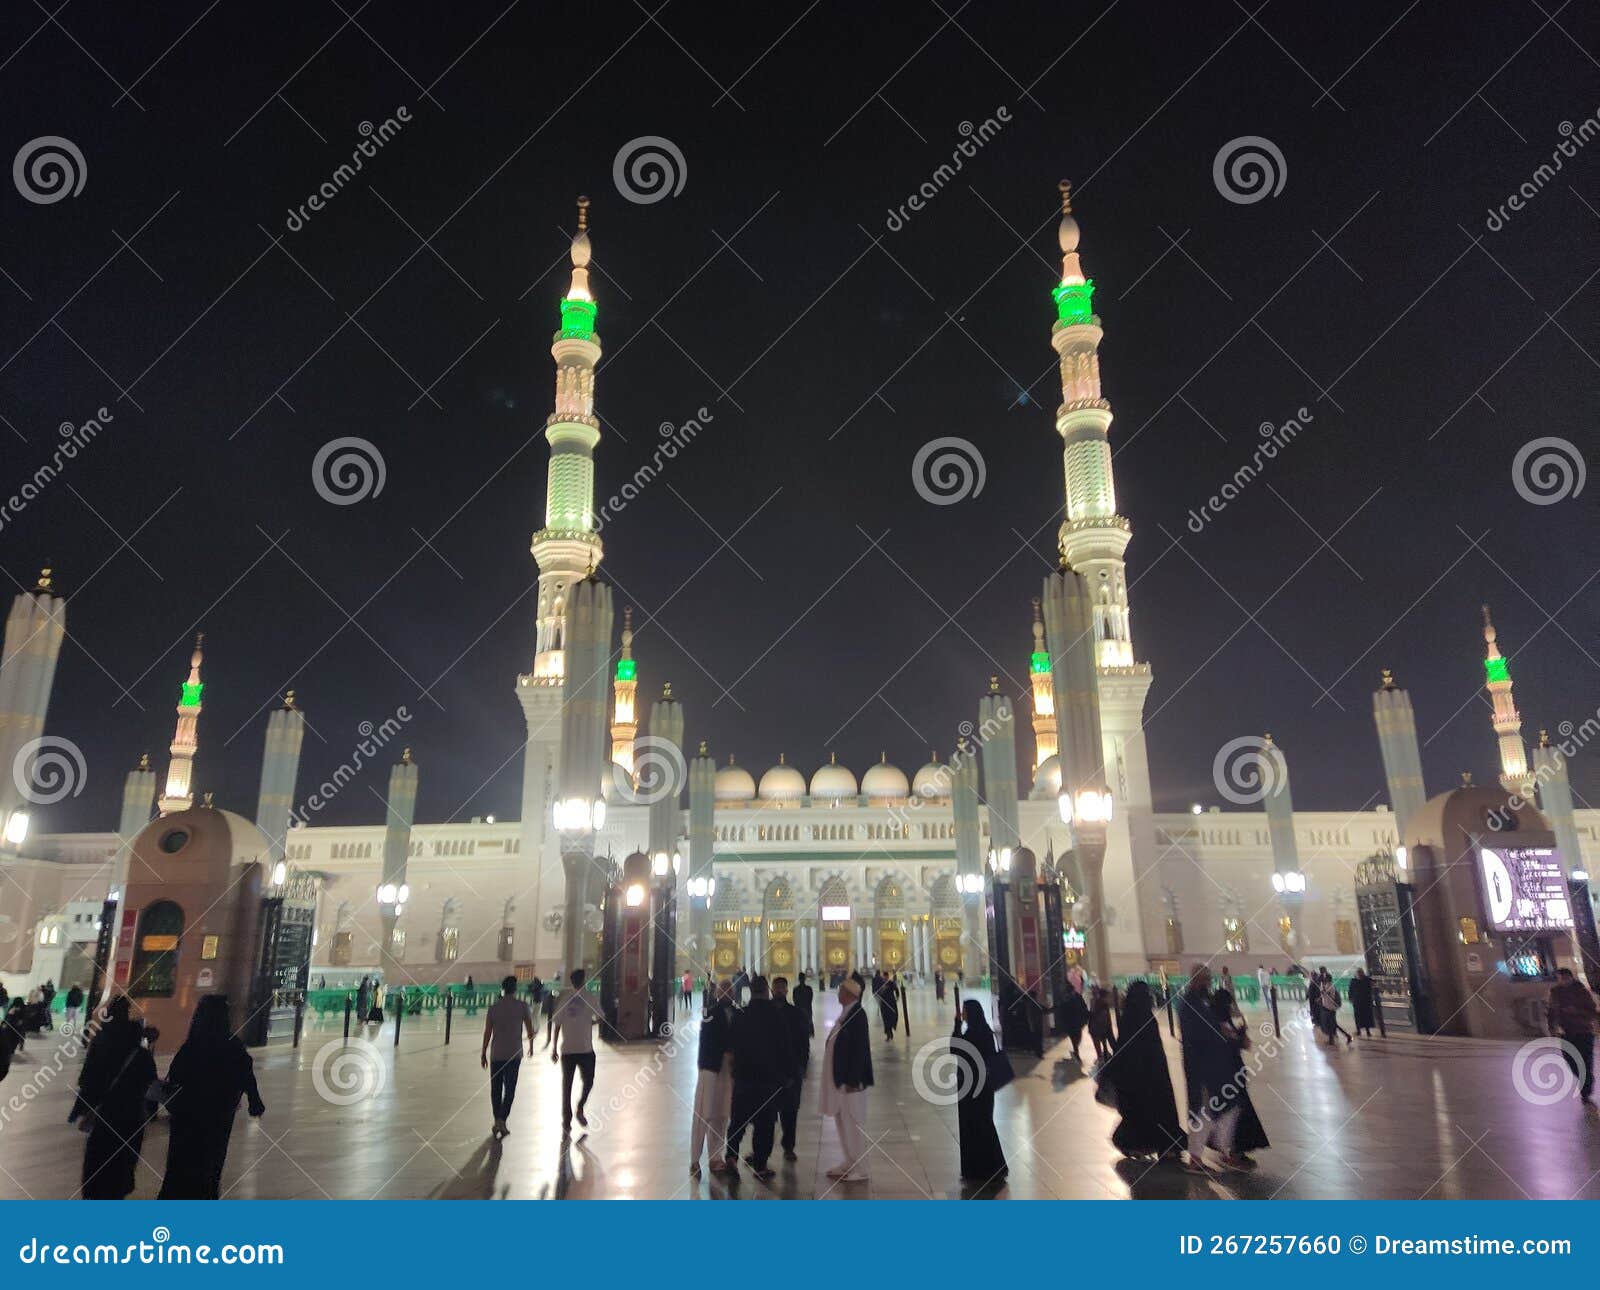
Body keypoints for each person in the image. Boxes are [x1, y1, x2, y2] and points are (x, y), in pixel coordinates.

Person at [159, 995, 265, 1199]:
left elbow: (175, 1075)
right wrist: (254, 1100)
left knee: (181, 1163)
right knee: (211, 1161)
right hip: (218, 1115)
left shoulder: (192, 1045)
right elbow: (245, 1072)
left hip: (187, 1115)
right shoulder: (232, 1045)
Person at [76, 996, 156, 1200]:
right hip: (130, 1118)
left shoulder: (101, 1041)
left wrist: (84, 1107)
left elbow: (86, 1079)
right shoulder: (140, 1052)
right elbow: (151, 1084)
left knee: (98, 1162)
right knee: (121, 1166)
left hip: (103, 1115)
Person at [1101, 981, 1184, 1161]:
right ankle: (1160, 1146)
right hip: (1151, 1076)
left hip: (1138, 1077)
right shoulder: (1144, 1018)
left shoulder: (1129, 1018)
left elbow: (1122, 1048)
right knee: (1156, 1112)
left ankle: (1146, 1145)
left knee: (1141, 1114)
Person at [726, 975, 791, 1179]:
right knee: (765, 1124)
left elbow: (731, 1045)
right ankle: (760, 1165)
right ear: (767, 991)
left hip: (744, 1077)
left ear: (751, 991)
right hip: (767, 1080)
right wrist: (787, 1075)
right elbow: (784, 1048)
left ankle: (731, 1156)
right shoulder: (776, 1015)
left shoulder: (741, 1014)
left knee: (737, 1121)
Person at [1204, 989, 1268, 1168]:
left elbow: (1244, 1044)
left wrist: (1239, 1035)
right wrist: (1238, 1039)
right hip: (1227, 1076)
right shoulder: (1216, 1024)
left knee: (1237, 1112)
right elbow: (1227, 1046)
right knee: (1234, 1113)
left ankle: (1234, 1150)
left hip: (1235, 1073)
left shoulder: (1223, 1022)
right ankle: (1231, 1151)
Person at [821, 977, 873, 1182]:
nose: (838, 993)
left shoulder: (857, 1015)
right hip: (840, 1081)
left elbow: (860, 1050)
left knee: (853, 1122)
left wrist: (853, 1080)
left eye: (841, 990)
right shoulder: (846, 1014)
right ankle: (850, 1160)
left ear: (850, 994)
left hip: (852, 1084)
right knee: (842, 1120)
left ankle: (861, 1167)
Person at [952, 998, 1007, 1183]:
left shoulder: (972, 1034)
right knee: (983, 1124)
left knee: (974, 1125)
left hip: (971, 1086)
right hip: (983, 1086)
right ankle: (991, 1166)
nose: (963, 1014)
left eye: (965, 1011)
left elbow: (954, 1049)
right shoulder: (985, 1032)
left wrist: (956, 1026)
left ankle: (977, 1168)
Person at [691, 982, 737, 1176]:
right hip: (711, 1068)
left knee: (722, 1113)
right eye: (724, 990)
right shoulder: (710, 1013)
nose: (728, 993)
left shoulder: (738, 1014)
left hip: (729, 1069)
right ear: (718, 994)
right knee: (704, 1113)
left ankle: (715, 1158)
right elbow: (707, 1042)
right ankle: (694, 1159)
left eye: (730, 990)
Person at [481, 975, 536, 1138]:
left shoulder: (494, 1008)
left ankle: (497, 1119)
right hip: (514, 1053)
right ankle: (502, 1120)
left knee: (495, 1089)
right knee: (510, 1089)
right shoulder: (522, 1006)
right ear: (515, 988)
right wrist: (531, 1047)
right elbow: (530, 1029)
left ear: (502, 989)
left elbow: (487, 1033)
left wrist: (483, 1052)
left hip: (497, 1054)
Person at [550, 968, 602, 1136]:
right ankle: (580, 1107)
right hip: (585, 1049)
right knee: (589, 1081)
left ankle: (567, 1119)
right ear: (584, 980)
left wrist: (553, 1047)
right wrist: (589, 1023)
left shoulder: (564, 999)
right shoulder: (590, 998)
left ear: (572, 981)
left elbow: (557, 1025)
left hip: (567, 1050)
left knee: (567, 1085)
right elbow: (600, 1017)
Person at [1174, 965, 1214, 1173]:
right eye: (1206, 979)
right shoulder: (1191, 1003)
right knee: (1201, 1109)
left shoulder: (1192, 1001)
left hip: (1198, 1062)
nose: (1209, 983)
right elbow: (1200, 1032)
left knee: (1203, 1108)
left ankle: (1198, 1156)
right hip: (1198, 1063)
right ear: (1197, 980)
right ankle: (1196, 1159)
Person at [772, 975, 810, 1161]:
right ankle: (761, 1151)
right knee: (766, 1115)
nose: (779, 990)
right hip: (768, 1072)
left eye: (782, 988)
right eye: (776, 987)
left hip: (791, 1070)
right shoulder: (764, 1012)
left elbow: (804, 1043)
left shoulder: (796, 1014)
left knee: (790, 1112)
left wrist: (803, 1066)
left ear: (787, 990)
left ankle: (789, 1146)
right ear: (771, 990)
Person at [1548, 967, 1600, 1100]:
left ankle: (1586, 1090)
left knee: (1585, 1060)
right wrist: (1552, 1027)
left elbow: (1592, 1011)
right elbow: (1551, 1011)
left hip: (1584, 1031)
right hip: (1567, 1032)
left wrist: (1576, 1011)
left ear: (1570, 977)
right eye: (1560, 979)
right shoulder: (1555, 993)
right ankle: (1587, 1079)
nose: (1562, 981)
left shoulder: (1581, 992)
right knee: (1570, 1060)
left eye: (1564, 978)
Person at [1319, 972, 1352, 1046]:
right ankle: (1344, 1036)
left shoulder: (1330, 986)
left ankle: (1346, 1036)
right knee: (1332, 1024)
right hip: (1327, 1006)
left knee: (1332, 1024)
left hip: (1330, 1008)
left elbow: (1328, 996)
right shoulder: (1325, 985)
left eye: (1324, 978)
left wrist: (1324, 993)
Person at [1059, 980, 1090, 1061]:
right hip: (1073, 1021)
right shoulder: (1067, 998)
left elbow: (1083, 1007)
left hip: (1075, 1021)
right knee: (1075, 1037)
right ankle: (1076, 1052)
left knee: (1076, 1037)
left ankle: (1076, 1051)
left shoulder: (1074, 997)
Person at [1087, 985, 1116, 1063]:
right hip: (1102, 1026)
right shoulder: (1101, 1003)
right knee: (1107, 1042)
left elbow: (1093, 1014)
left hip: (1099, 1026)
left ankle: (1102, 1057)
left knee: (1102, 1042)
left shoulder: (1097, 1002)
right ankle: (1105, 1056)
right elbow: (1102, 1016)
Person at [1349, 968, 1377, 1037]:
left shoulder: (1366, 980)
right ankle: (1359, 1030)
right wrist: (1351, 998)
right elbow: (1350, 990)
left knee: (1366, 1016)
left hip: (1365, 1002)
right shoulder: (1354, 981)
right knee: (1358, 1017)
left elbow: (1373, 984)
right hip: (1357, 1002)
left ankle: (1367, 1031)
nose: (1359, 974)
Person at [877, 971, 900, 1039]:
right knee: (885, 1018)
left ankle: (891, 1030)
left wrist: (897, 997)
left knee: (892, 1016)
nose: (885, 978)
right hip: (884, 1004)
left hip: (891, 1002)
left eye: (886, 977)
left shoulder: (891, 983)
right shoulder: (881, 984)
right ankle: (888, 1033)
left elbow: (896, 989)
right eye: (884, 977)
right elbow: (877, 991)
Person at [792, 971, 814, 1036]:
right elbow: (810, 999)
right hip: (807, 1009)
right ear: (805, 978)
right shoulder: (809, 989)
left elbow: (795, 1000)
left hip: (799, 1010)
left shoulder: (796, 989)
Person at [541, 979, 560, 1046]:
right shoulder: (554, 991)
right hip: (552, 1009)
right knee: (553, 1023)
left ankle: (549, 1038)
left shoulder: (550, 992)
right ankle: (549, 1038)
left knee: (551, 1023)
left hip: (551, 1009)